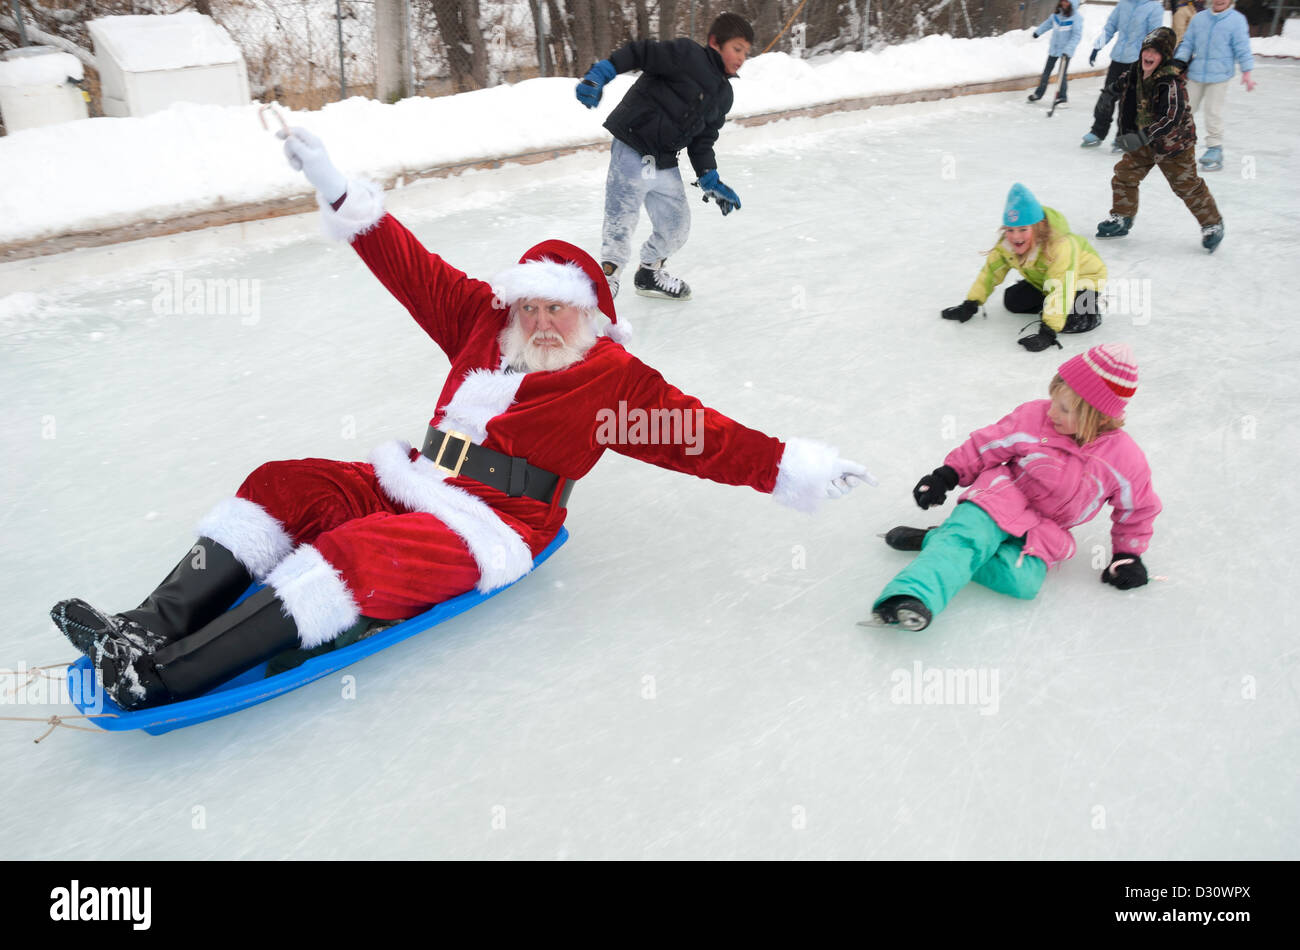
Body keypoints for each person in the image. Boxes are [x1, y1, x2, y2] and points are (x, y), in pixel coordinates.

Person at [49, 127, 874, 712]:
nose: (545, 321)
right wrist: (336, 185)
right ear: (516, 301)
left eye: (564, 310)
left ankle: (163, 677)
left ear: (592, 318)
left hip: (493, 522)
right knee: (283, 483)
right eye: (535, 305)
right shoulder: (481, 320)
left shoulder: (611, 381)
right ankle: (144, 628)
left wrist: (790, 465)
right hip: (411, 477)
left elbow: (706, 440)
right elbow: (406, 263)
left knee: (353, 553)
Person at [867, 343, 1160, 631]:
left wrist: (1127, 555)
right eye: (1053, 400)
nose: (1053, 413)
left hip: (1045, 529)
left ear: (1098, 416)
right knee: (969, 539)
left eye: (1064, 408)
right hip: (999, 498)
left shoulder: (1123, 459)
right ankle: (909, 595)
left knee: (1023, 583)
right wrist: (947, 475)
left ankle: (942, 543)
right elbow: (986, 445)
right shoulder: (1034, 418)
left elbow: (1137, 508)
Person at [574, 12, 753, 301]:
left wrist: (709, 176)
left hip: (665, 159)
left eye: (746, 52)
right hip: (633, 143)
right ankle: (608, 276)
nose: (742, 57)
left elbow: (703, 140)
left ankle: (648, 273)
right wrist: (601, 73)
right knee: (622, 216)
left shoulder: (724, 94)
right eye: (737, 48)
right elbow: (640, 52)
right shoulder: (685, 55)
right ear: (715, 44)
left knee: (677, 225)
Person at [1094, 27, 1225, 252]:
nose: (1149, 55)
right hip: (1144, 140)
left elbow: (1171, 118)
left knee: (1187, 186)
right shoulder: (1134, 72)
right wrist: (1107, 95)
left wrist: (1142, 136)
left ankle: (1212, 224)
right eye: (1147, 49)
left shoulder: (1170, 83)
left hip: (1173, 145)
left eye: (1155, 52)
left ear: (1163, 57)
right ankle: (1122, 218)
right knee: (1125, 175)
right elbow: (1119, 85)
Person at [940, 183, 1106, 352]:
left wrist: (1048, 331)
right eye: (1010, 230)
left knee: (1069, 320)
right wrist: (971, 303)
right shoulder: (1007, 245)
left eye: (1023, 229)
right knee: (1012, 301)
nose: (1016, 236)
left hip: (1082, 280)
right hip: (1045, 281)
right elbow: (990, 273)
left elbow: (1062, 286)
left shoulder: (1061, 245)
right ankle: (1052, 307)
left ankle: (1089, 311)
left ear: (1038, 227)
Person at [1174, 0, 1256, 171]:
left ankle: (1215, 149)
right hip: (1196, 73)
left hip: (1220, 75)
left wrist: (1247, 71)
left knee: (1213, 111)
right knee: (1184, 109)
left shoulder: (1236, 20)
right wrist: (1178, 63)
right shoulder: (1199, 18)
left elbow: (1242, 47)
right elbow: (1188, 43)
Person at [1082, 0, 1163, 149]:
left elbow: (1155, 37)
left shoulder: (1154, 7)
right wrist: (1097, 47)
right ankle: (1097, 131)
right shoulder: (1124, 4)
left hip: (1138, 61)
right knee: (1107, 95)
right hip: (1118, 58)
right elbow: (1110, 27)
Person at [1028, 0, 1085, 105]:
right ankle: (1038, 94)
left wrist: (1068, 50)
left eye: (1067, 2)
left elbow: (1076, 36)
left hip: (1066, 51)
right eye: (1063, 1)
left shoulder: (1076, 18)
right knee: (1046, 73)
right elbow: (1048, 24)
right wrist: (1038, 32)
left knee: (1061, 74)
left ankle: (1062, 97)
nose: (1064, 3)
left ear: (1072, 3)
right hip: (1054, 49)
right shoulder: (1057, 14)